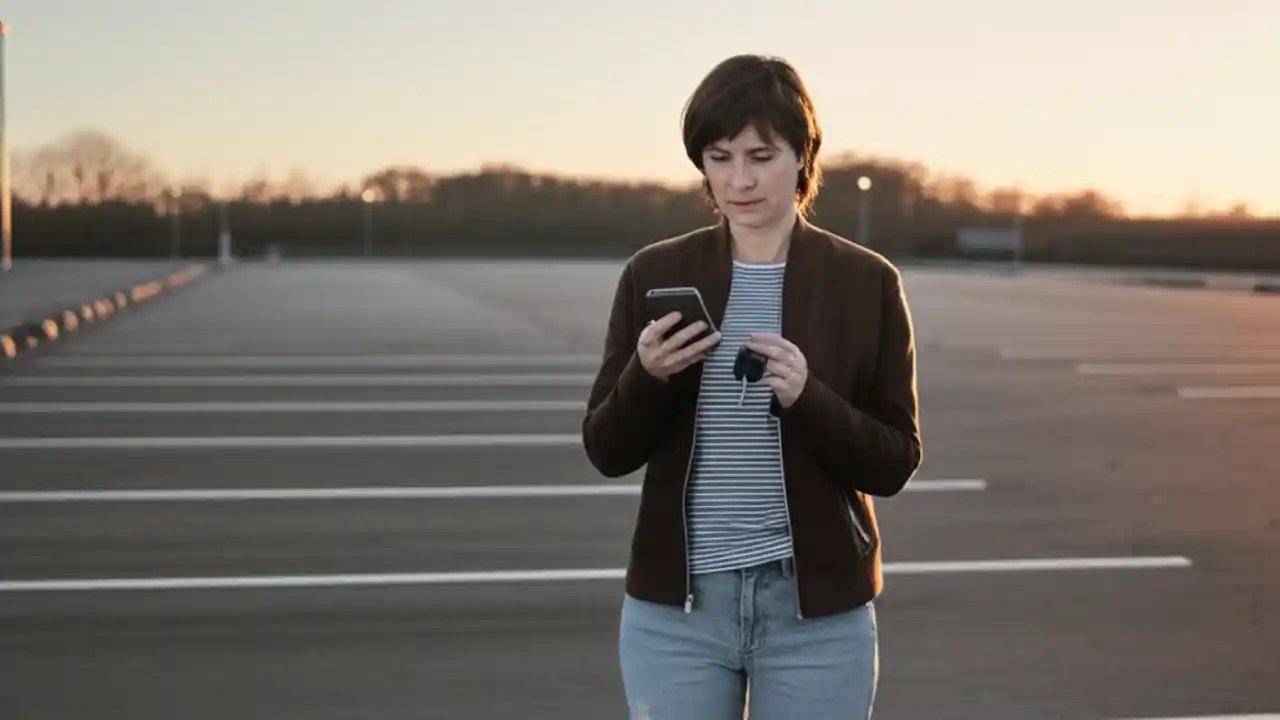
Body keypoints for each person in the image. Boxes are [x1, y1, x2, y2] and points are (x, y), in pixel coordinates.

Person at [581, 53, 922, 719]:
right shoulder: (654, 272)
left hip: (816, 612)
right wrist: (646, 379)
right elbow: (606, 450)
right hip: (676, 613)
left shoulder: (866, 282)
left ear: (803, 154)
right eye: (720, 156)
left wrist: (809, 399)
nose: (739, 179)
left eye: (761, 155)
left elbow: (894, 461)